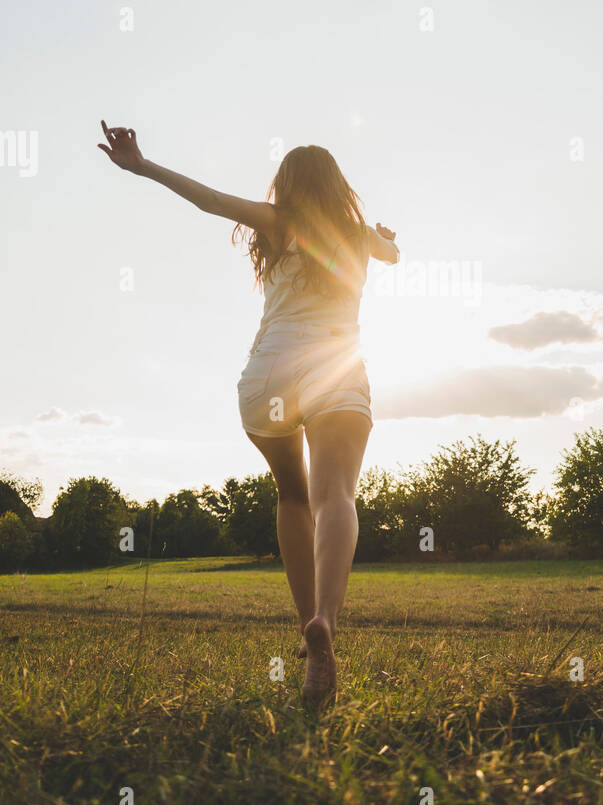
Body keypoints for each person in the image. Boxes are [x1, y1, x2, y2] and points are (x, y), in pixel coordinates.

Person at [97, 122, 399, 704]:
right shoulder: (358, 236)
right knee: (335, 494)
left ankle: (307, 623)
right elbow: (392, 251)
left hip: (270, 375)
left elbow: (210, 200)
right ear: (340, 188)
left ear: (286, 186)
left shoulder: (278, 221)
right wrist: (381, 237)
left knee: (292, 495)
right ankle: (326, 623)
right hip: (335, 364)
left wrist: (145, 166)